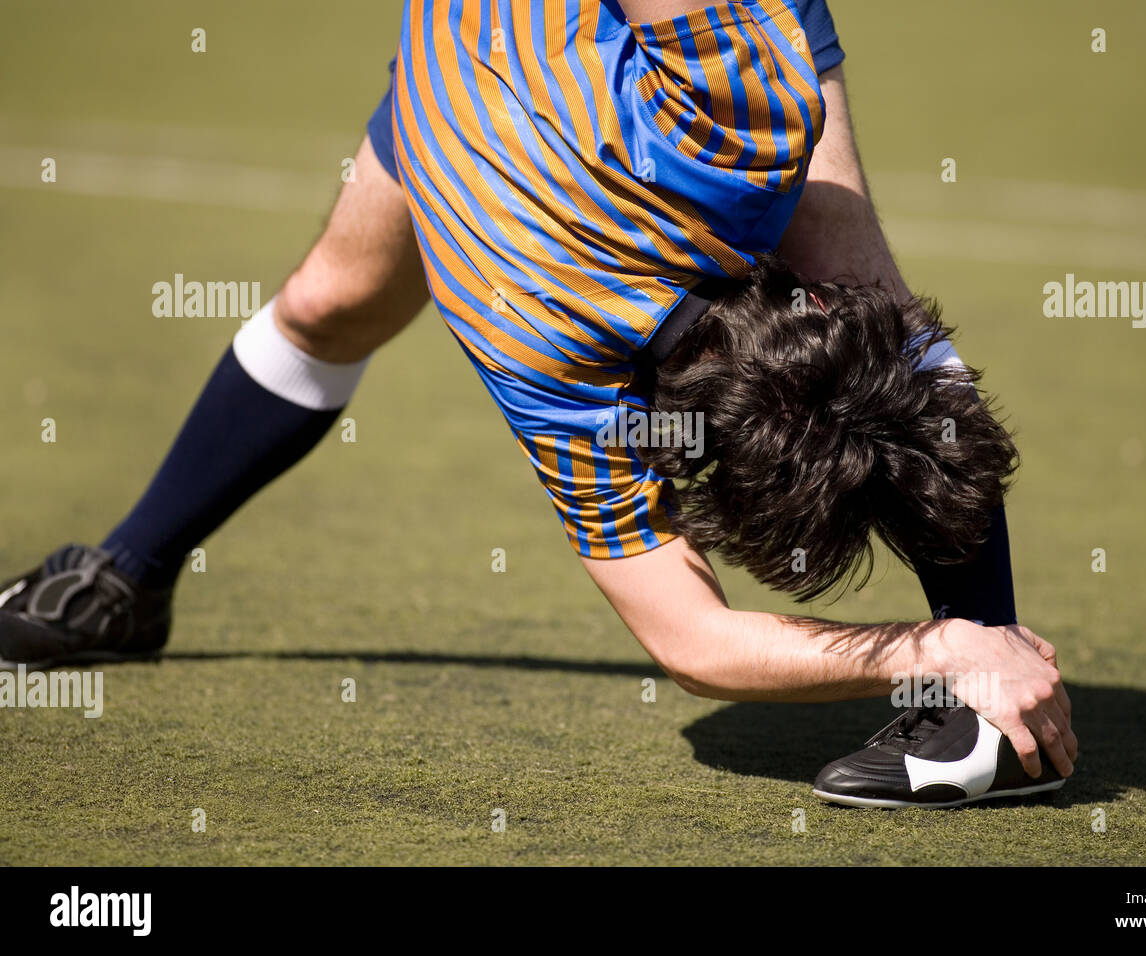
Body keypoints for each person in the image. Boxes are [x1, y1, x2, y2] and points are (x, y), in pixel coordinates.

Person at [0, 0, 1076, 808]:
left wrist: (926, 652)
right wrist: (914, 646)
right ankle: (984, 667)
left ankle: (981, 691)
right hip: (511, 60)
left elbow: (693, 639)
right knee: (874, 296)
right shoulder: (728, 139)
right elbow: (694, 638)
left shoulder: (572, 365)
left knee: (327, 301)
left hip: (460, 84)